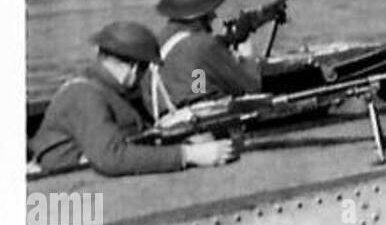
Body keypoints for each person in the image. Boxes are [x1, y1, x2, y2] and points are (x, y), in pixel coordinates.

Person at [29, 22, 235, 176]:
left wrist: (178, 135)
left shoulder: (105, 89)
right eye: (145, 67)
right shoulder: (85, 95)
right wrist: (189, 154)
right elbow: (112, 157)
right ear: (135, 68)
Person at [150, 0, 273, 117]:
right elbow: (251, 87)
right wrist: (247, 55)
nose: (214, 16)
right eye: (211, 11)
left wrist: (225, 43)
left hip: (169, 117)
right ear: (199, 15)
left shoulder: (159, 42)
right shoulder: (204, 45)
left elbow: (196, 81)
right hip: (203, 122)